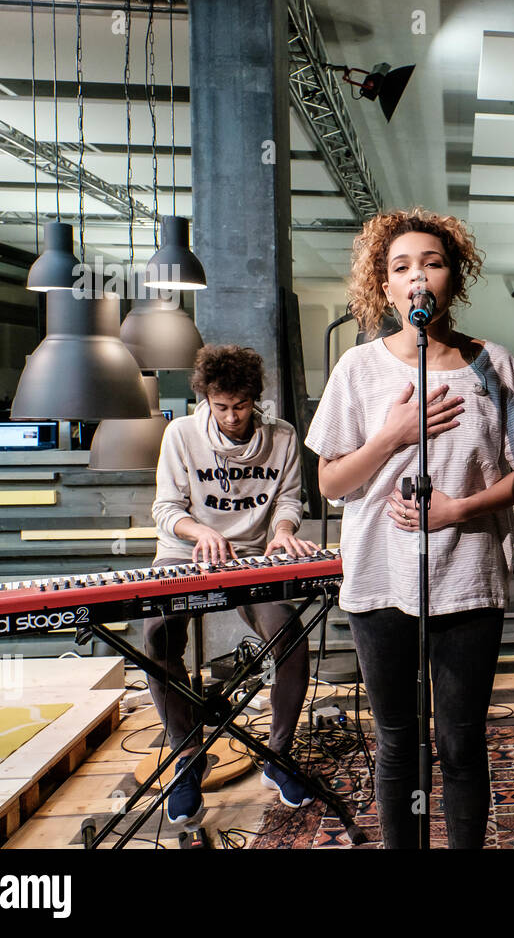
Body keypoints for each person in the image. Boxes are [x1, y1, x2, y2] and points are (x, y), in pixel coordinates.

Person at [305, 207, 514, 849]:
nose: (417, 277)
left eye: (432, 263)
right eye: (401, 267)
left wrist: (458, 509)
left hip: (468, 580)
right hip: (380, 582)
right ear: (383, 287)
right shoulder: (357, 370)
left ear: (454, 278)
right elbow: (330, 485)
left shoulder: (493, 365)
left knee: (461, 739)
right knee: (396, 741)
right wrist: (390, 437)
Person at [149, 344, 321, 827]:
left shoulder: (282, 436)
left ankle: (277, 756)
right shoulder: (180, 434)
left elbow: (289, 499)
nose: (230, 416)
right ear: (206, 399)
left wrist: (284, 531)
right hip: (186, 551)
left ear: (254, 399)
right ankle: (187, 757)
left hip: (250, 555)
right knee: (156, 637)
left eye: (240, 406)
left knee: (287, 633)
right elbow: (166, 509)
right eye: (220, 406)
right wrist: (199, 530)